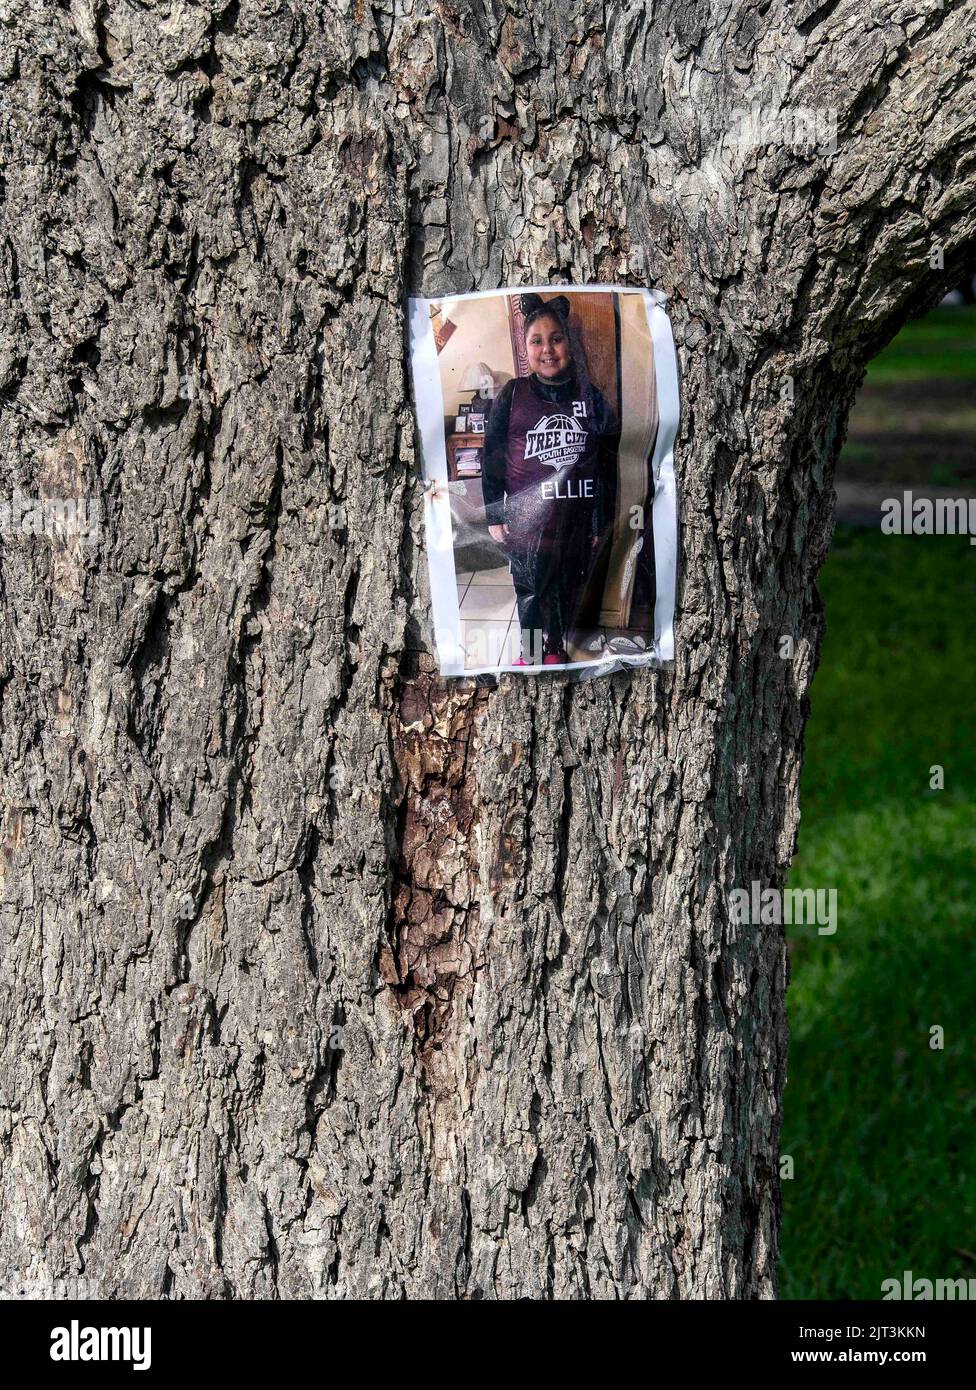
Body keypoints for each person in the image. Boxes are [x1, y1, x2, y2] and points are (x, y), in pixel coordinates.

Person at [482, 294, 619, 665]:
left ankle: (555, 648)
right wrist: (494, 514)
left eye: (556, 339)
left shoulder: (590, 396)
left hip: (573, 519)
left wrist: (598, 520)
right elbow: (491, 459)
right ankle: (530, 653)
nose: (547, 349)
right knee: (529, 589)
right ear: (525, 348)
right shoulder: (512, 394)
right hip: (526, 521)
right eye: (537, 341)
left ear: (568, 344)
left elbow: (606, 464)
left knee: (562, 586)